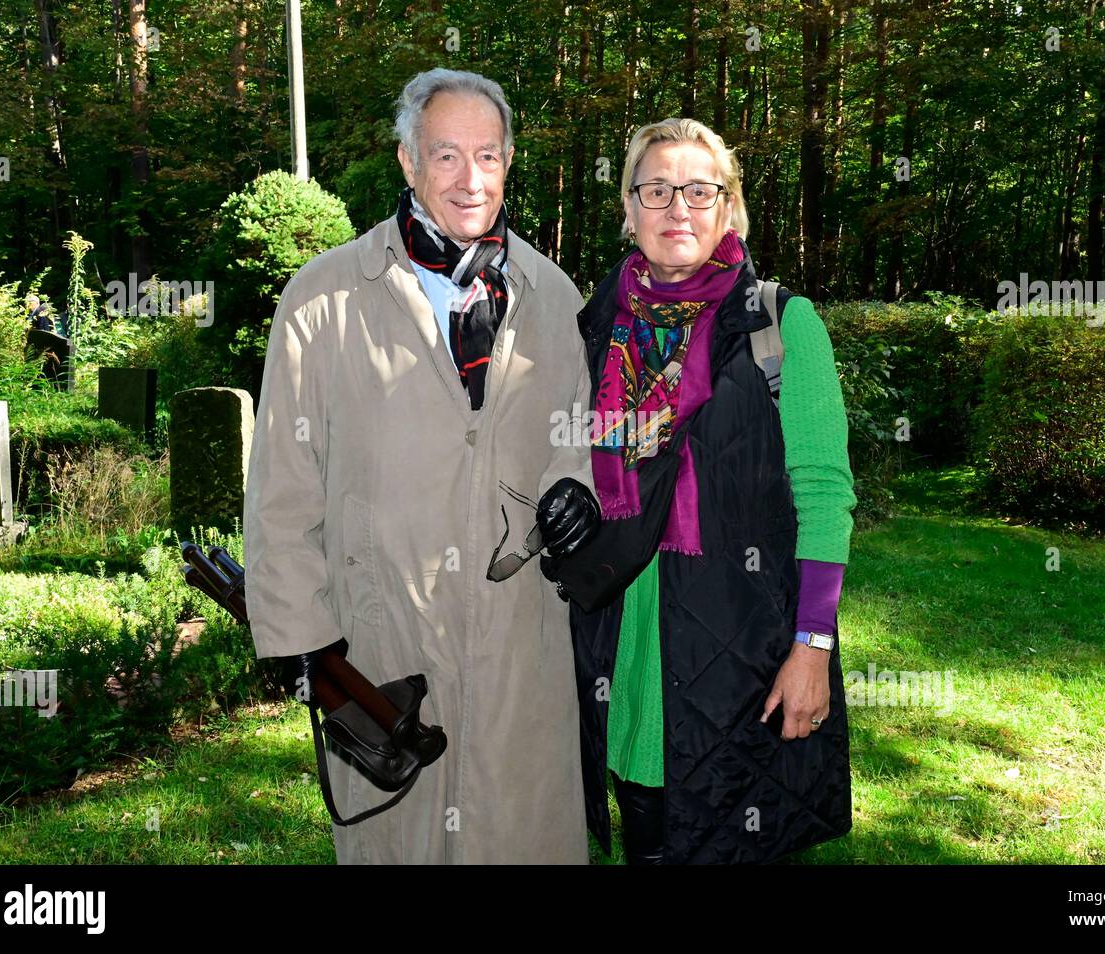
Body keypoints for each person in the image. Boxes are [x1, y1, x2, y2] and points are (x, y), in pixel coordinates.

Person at [243, 68, 599, 864]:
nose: (470, 180)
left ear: (509, 163)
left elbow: (578, 431)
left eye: (487, 156)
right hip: (383, 648)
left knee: (521, 835)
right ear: (407, 162)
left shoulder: (554, 296)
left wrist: (572, 481)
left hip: (521, 648)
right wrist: (300, 634)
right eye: (445, 156)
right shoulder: (323, 297)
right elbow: (281, 484)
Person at [549, 117, 857, 864]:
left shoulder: (781, 325)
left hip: (743, 646)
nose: (676, 208)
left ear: (729, 208)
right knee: (646, 830)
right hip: (621, 637)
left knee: (733, 832)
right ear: (628, 208)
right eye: (656, 190)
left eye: (697, 190)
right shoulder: (592, 327)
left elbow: (823, 496)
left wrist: (811, 648)